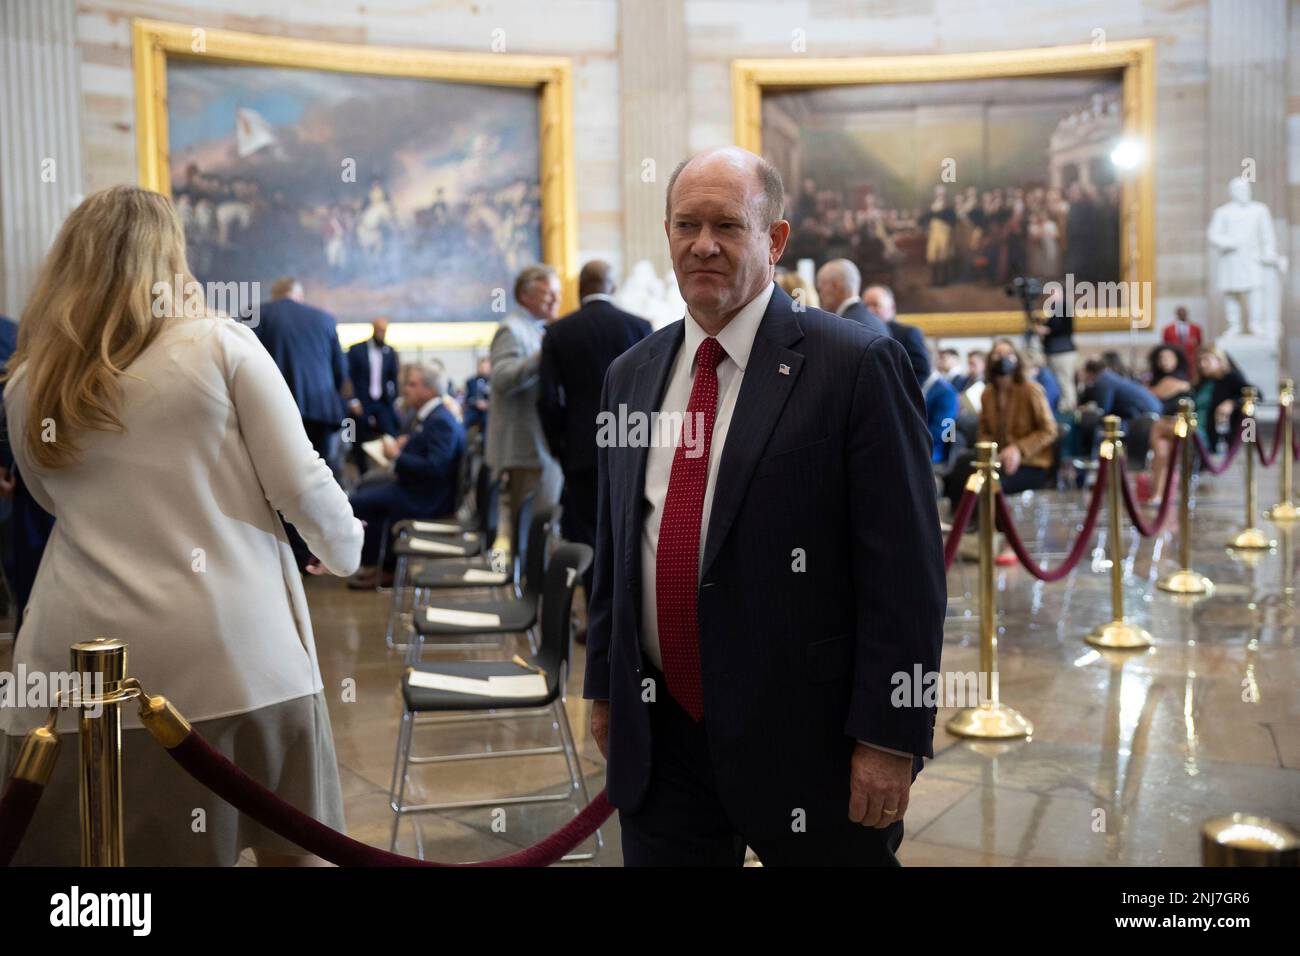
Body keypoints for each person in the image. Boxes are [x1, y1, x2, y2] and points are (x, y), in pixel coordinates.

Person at [584, 147, 944, 866]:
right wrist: (604, 685)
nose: (703, 244)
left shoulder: (855, 366)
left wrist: (889, 734)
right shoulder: (631, 374)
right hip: (663, 735)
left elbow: (906, 574)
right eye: (686, 224)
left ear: (775, 241)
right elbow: (619, 543)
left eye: (727, 224)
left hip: (811, 740)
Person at [0, 186, 362, 865]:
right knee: (290, 849)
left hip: (74, 666)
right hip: (236, 656)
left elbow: (48, 498)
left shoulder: (29, 381)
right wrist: (345, 552)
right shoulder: (220, 345)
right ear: (171, 259)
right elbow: (302, 481)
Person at [537, 260, 651, 604]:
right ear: (612, 286)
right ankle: (629, 611)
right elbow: (655, 390)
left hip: (580, 447)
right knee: (629, 528)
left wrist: (558, 445)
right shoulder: (639, 326)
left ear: (579, 288)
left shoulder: (558, 331)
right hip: (631, 442)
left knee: (585, 531)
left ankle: (596, 608)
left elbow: (547, 399)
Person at [348, 362, 466, 588]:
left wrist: (397, 456)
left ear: (430, 390)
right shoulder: (432, 416)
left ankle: (382, 569)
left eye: (412, 384)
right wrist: (405, 447)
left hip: (427, 498)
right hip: (419, 489)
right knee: (366, 488)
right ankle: (381, 564)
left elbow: (435, 468)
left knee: (358, 502)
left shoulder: (440, 421)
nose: (405, 389)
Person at [943, 338, 1057, 561]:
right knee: (961, 466)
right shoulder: (988, 394)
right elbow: (984, 430)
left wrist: (1018, 449)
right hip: (997, 459)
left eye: (1008, 354)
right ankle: (963, 526)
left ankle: (1009, 542)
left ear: (1017, 360)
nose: (1002, 359)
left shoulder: (1030, 390)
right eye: (997, 354)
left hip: (1031, 462)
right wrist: (991, 452)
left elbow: (1049, 430)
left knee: (994, 486)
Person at [487, 265, 564, 558]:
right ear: (525, 295)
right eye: (549, 294)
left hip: (539, 444)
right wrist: (542, 354)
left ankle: (540, 590)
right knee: (529, 529)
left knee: (542, 526)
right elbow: (502, 380)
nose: (556, 300)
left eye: (557, 293)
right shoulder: (511, 329)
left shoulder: (538, 328)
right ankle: (530, 594)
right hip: (523, 447)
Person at [1144, 345, 1195, 503]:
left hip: (1182, 425)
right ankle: (1159, 494)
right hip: (1164, 426)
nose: (1164, 362)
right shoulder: (1157, 379)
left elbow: (1151, 395)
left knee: (1158, 427)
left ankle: (1160, 492)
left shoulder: (1178, 379)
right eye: (1161, 358)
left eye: (1168, 358)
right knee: (1161, 453)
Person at [347, 316, 401, 448]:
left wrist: (395, 398)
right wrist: (352, 400)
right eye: (379, 331)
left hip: (382, 401)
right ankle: (361, 466)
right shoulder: (356, 350)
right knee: (355, 435)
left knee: (391, 432)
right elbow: (347, 377)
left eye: (384, 331)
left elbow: (393, 378)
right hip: (361, 401)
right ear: (373, 330)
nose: (382, 334)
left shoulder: (389, 351)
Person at [863, 284, 930, 385]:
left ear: (892, 307)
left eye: (875, 305)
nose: (869, 310)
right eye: (866, 306)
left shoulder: (908, 333)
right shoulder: (862, 332)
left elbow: (921, 371)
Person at [814, 258, 888, 335]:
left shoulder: (841, 327)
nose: (820, 295)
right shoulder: (879, 322)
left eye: (820, 289)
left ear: (835, 286)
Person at [1034, 287, 1078, 411]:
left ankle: (1068, 409)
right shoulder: (1056, 307)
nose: (1050, 295)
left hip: (1062, 352)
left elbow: (1061, 327)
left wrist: (1046, 330)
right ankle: (1065, 406)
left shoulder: (1063, 305)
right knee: (1060, 381)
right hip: (1056, 351)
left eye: (1054, 292)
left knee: (1064, 381)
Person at [1079, 359, 1162, 422]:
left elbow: (1104, 409)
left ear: (1089, 372)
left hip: (1145, 413)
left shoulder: (1104, 380)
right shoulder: (1109, 376)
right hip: (1153, 408)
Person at [1161, 306, 1204, 376]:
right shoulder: (1168, 329)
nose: (1182, 314)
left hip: (1191, 359)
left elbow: (1199, 343)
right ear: (1176, 314)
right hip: (1175, 357)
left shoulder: (1196, 328)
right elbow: (1165, 344)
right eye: (1180, 313)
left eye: (1183, 313)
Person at [463, 356, 491, 439]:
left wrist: (487, 404)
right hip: (473, 409)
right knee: (463, 423)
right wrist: (476, 402)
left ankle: (486, 447)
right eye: (482, 367)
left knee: (487, 423)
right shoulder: (470, 381)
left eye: (486, 367)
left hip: (487, 410)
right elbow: (468, 398)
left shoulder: (494, 381)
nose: (483, 369)